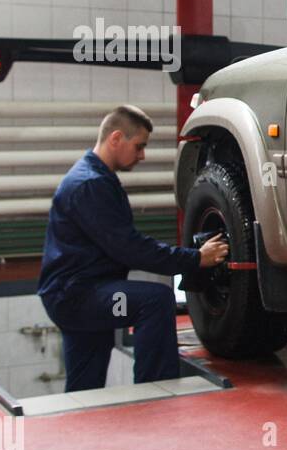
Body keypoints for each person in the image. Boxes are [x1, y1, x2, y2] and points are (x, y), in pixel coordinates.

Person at [37, 104, 229, 392]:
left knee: (85, 385)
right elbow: (129, 248)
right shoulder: (91, 185)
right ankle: (154, 392)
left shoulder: (94, 177)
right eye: (139, 146)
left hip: (73, 295)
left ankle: (81, 422)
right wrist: (196, 259)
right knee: (155, 300)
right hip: (79, 296)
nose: (142, 155)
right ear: (116, 138)